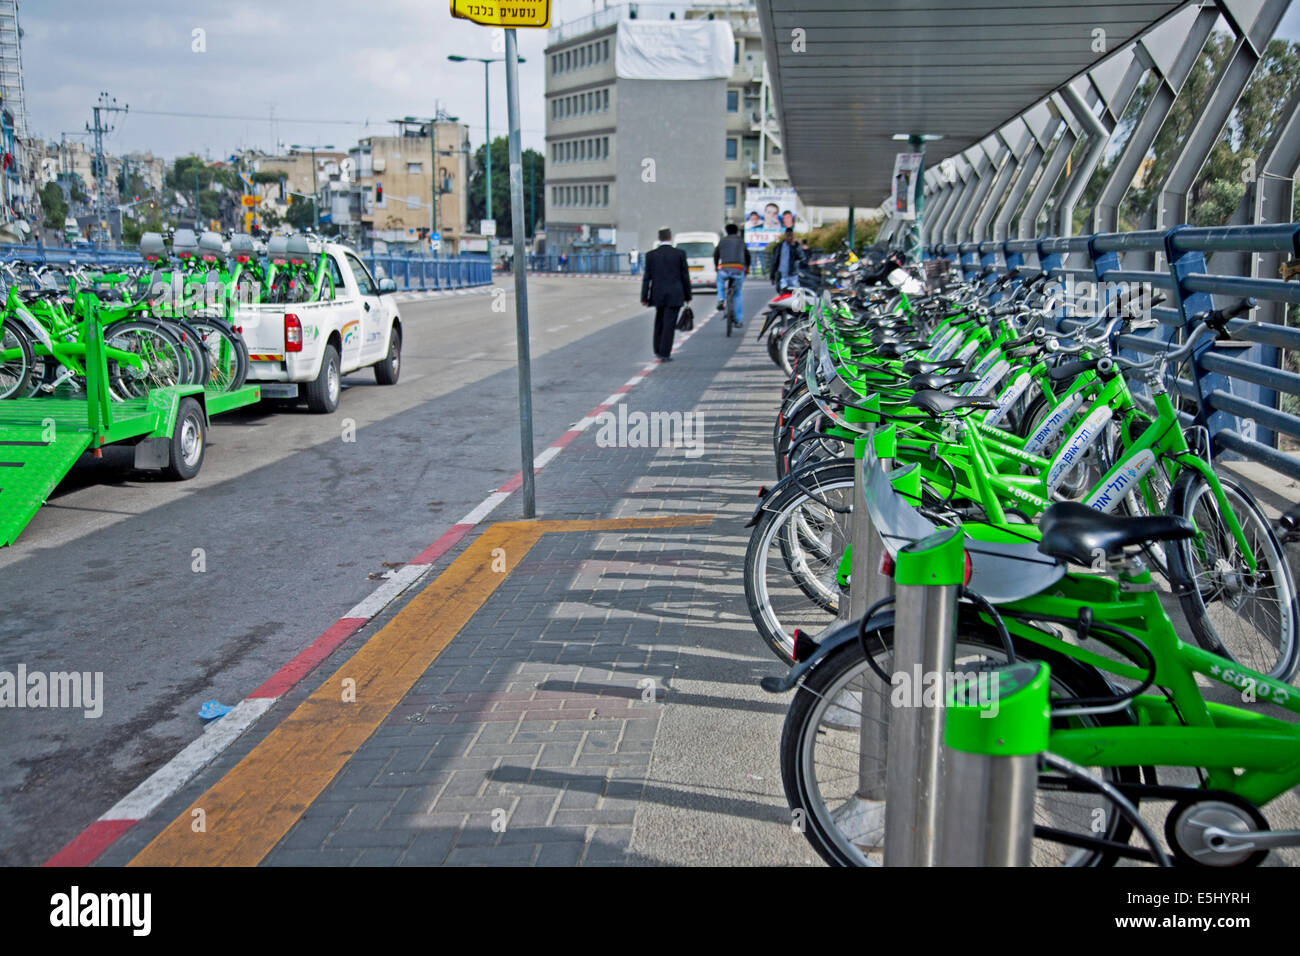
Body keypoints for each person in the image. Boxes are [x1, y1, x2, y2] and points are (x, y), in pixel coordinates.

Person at [640, 226, 691, 361]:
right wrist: (688, 295)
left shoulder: (651, 255)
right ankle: (665, 353)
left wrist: (644, 297)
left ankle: (657, 349)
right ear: (670, 237)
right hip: (675, 293)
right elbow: (684, 276)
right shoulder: (680, 254)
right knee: (669, 323)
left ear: (659, 238)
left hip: (657, 294)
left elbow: (647, 277)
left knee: (659, 321)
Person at [712, 222, 750, 326]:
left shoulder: (722, 241)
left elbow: (716, 254)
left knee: (720, 282)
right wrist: (747, 268)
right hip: (738, 270)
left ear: (726, 231)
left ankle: (720, 299)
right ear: (737, 231)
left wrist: (716, 265)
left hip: (724, 269)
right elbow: (747, 255)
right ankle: (738, 320)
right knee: (737, 294)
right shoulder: (741, 241)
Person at [767, 227, 806, 291]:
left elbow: (802, 257)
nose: (789, 237)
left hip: (793, 276)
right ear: (785, 235)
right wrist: (772, 276)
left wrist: (794, 246)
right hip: (782, 276)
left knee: (794, 294)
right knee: (783, 294)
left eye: (791, 235)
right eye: (788, 235)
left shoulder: (796, 246)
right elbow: (774, 262)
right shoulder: (779, 247)